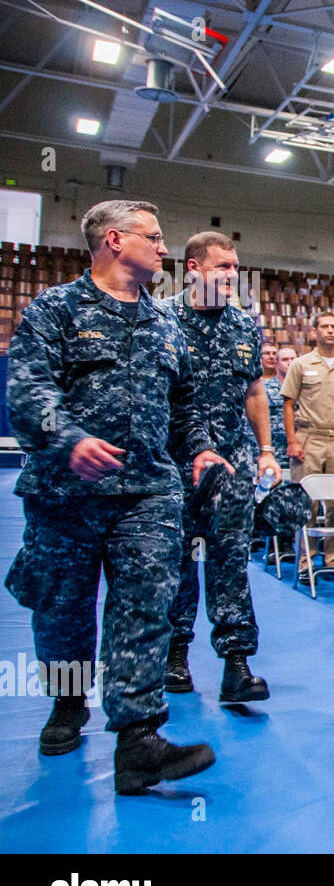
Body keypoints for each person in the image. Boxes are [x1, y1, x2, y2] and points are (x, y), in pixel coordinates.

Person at [4, 199, 228, 793]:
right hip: (66, 493)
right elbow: (27, 393)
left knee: (144, 608)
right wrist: (69, 440)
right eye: (152, 238)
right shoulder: (56, 310)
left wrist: (201, 448)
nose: (162, 248)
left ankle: (138, 741)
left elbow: (186, 404)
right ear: (112, 240)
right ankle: (68, 699)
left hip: (149, 492)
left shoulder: (166, 323)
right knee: (63, 607)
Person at [160, 231, 277, 702]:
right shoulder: (162, 319)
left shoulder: (246, 325)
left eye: (234, 266)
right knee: (178, 558)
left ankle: (236, 663)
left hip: (233, 463)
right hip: (175, 463)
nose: (232, 274)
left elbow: (254, 394)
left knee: (230, 560)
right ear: (193, 268)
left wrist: (266, 449)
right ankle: (174, 654)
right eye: (222, 266)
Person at [281, 313, 334, 577]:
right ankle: (306, 562)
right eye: (324, 327)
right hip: (308, 438)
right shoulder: (301, 365)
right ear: (314, 332)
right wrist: (292, 440)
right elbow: (289, 404)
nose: (330, 331)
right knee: (307, 504)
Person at [263, 346, 296, 469]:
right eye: (285, 359)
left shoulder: (306, 390)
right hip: (275, 452)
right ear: (276, 362)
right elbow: (253, 423)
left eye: (293, 359)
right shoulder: (264, 389)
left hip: (300, 453)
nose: (290, 363)